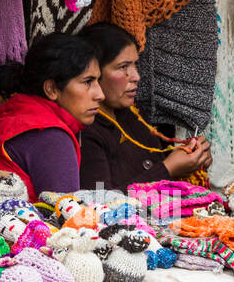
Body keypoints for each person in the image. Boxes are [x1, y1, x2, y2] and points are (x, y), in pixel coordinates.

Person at [0, 33, 104, 207]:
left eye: (98, 81)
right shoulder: (50, 135)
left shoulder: (15, 112)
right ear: (51, 89)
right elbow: (67, 220)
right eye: (87, 82)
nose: (100, 94)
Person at [77, 22, 212, 191]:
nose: (136, 76)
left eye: (135, 65)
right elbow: (99, 205)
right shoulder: (86, 132)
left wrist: (191, 161)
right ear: (94, 73)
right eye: (123, 67)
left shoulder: (134, 114)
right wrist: (168, 169)